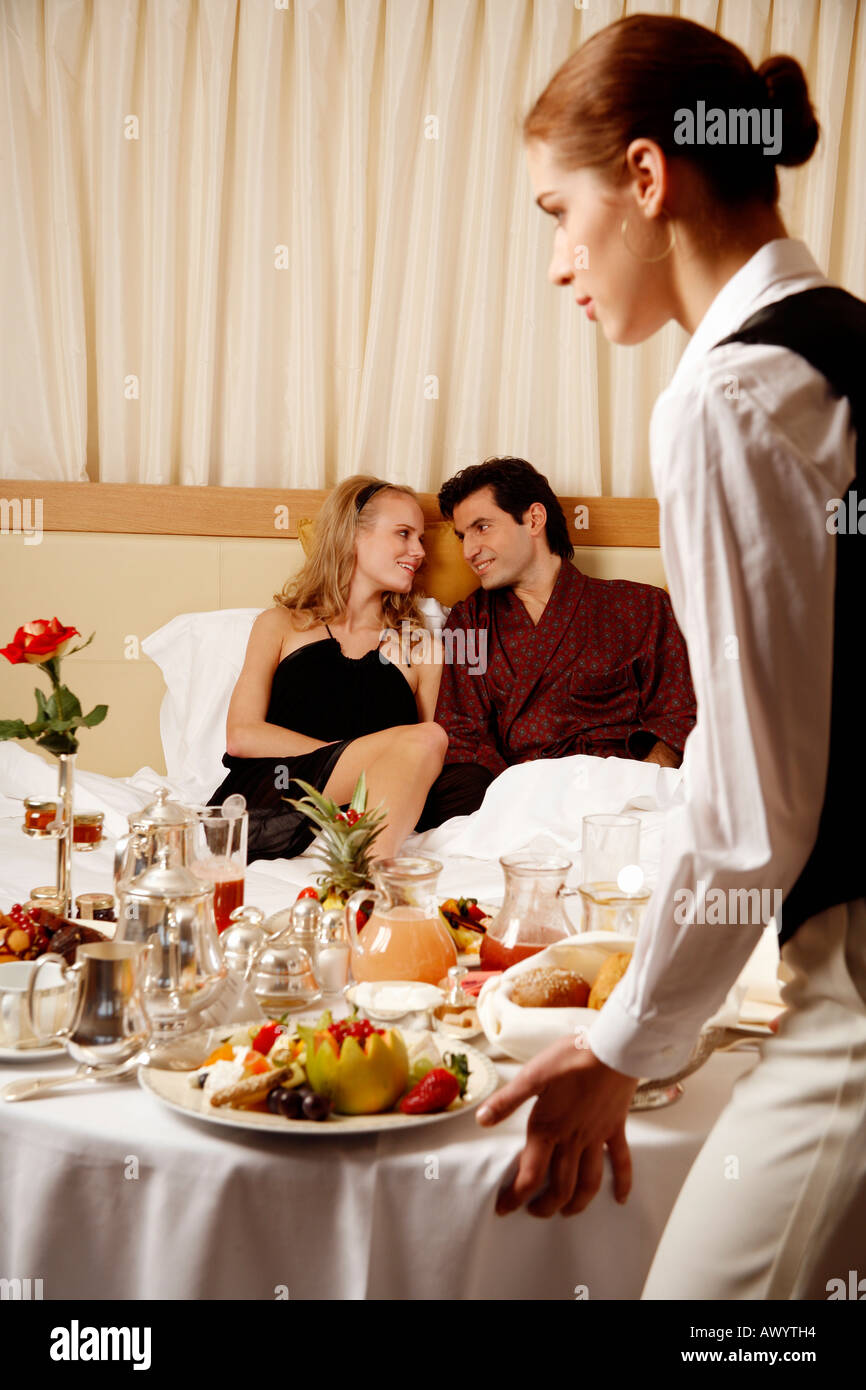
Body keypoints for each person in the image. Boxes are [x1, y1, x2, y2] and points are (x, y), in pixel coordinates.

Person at [474, 13, 866, 1301]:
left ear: (645, 179)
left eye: (555, 209)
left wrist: (618, 1047)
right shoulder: (842, 343)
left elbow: (755, 809)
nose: (553, 263)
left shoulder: (728, 395)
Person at [416, 456, 696, 828]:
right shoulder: (469, 623)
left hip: (626, 800)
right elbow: (463, 733)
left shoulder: (640, 607)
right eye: (463, 535)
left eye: (482, 527)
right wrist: (524, 802)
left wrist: (636, 793)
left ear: (534, 519)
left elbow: (678, 715)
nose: (468, 550)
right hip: (520, 801)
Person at [209, 476, 447, 861]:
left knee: (429, 741)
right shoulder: (280, 625)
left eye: (420, 538)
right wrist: (354, 759)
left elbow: (422, 767)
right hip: (271, 802)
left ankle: (361, 879)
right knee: (427, 737)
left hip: (364, 817)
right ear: (353, 535)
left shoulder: (421, 651)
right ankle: (366, 878)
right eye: (403, 534)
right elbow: (242, 735)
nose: (418, 551)